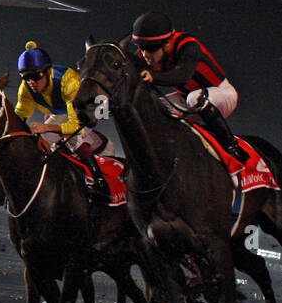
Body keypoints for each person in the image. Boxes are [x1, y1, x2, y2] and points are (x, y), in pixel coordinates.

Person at [128, 11, 247, 162]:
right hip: (189, 99)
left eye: (150, 48)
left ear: (167, 43)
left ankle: (232, 146)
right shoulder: (146, 54)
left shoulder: (188, 45)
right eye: (141, 47)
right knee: (156, 106)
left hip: (222, 95)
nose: (144, 54)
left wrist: (153, 77)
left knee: (194, 98)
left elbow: (182, 76)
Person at [14, 41, 114, 200]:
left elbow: (75, 126)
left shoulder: (68, 82)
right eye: (26, 77)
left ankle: (100, 181)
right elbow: (19, 118)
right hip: (59, 111)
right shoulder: (25, 88)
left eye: (36, 76)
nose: (31, 82)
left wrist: (45, 129)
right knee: (34, 141)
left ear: (47, 71)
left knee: (72, 136)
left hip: (87, 109)